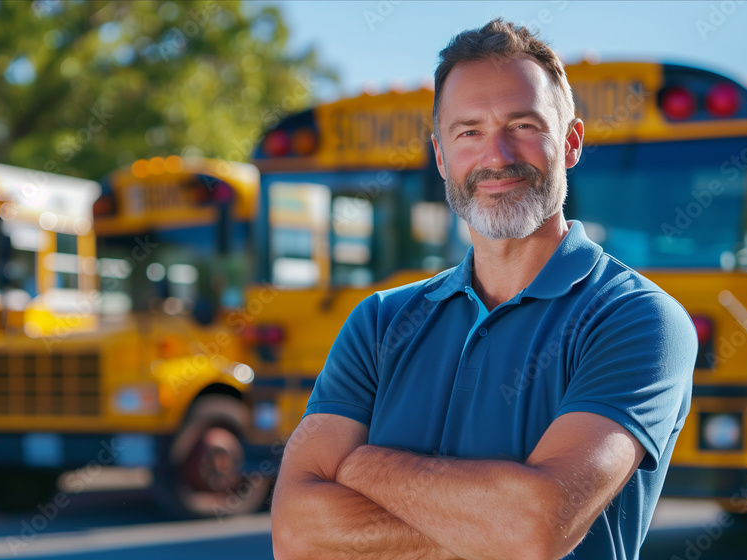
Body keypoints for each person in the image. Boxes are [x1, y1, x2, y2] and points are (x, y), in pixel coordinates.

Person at [271, 18, 697, 560]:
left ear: (570, 143)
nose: (496, 156)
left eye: (522, 125)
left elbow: (535, 529)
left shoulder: (637, 319)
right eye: (468, 132)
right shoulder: (378, 322)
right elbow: (295, 533)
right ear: (441, 156)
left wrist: (358, 466)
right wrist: (487, 524)